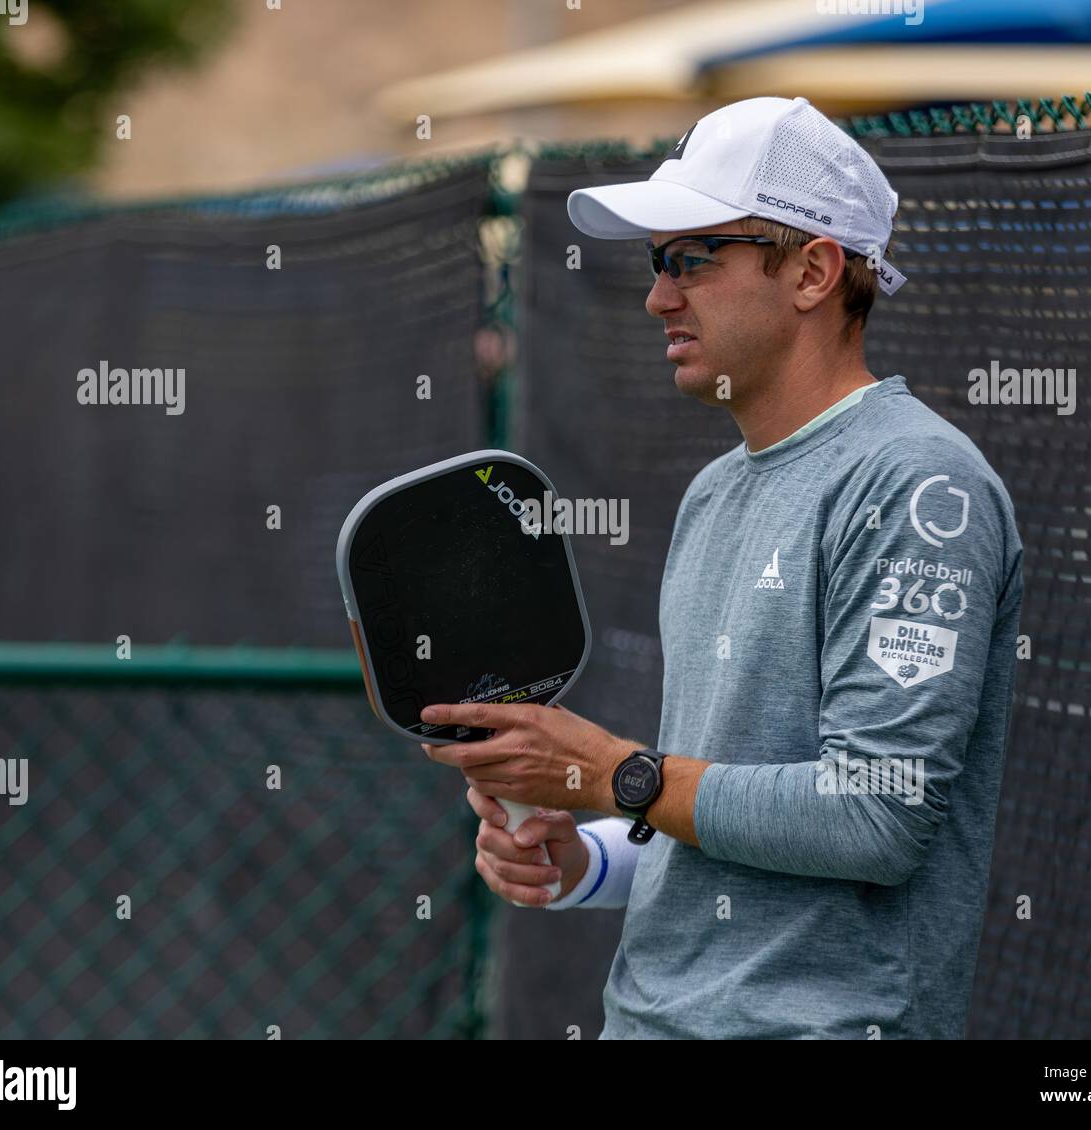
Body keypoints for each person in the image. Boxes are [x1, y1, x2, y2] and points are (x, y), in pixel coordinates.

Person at [421, 96, 1024, 1039]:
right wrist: (589, 862)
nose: (659, 295)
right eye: (658, 262)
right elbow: (716, 804)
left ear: (815, 271)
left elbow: (875, 817)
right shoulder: (714, 492)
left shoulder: (918, 483)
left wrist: (613, 774)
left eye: (692, 258)